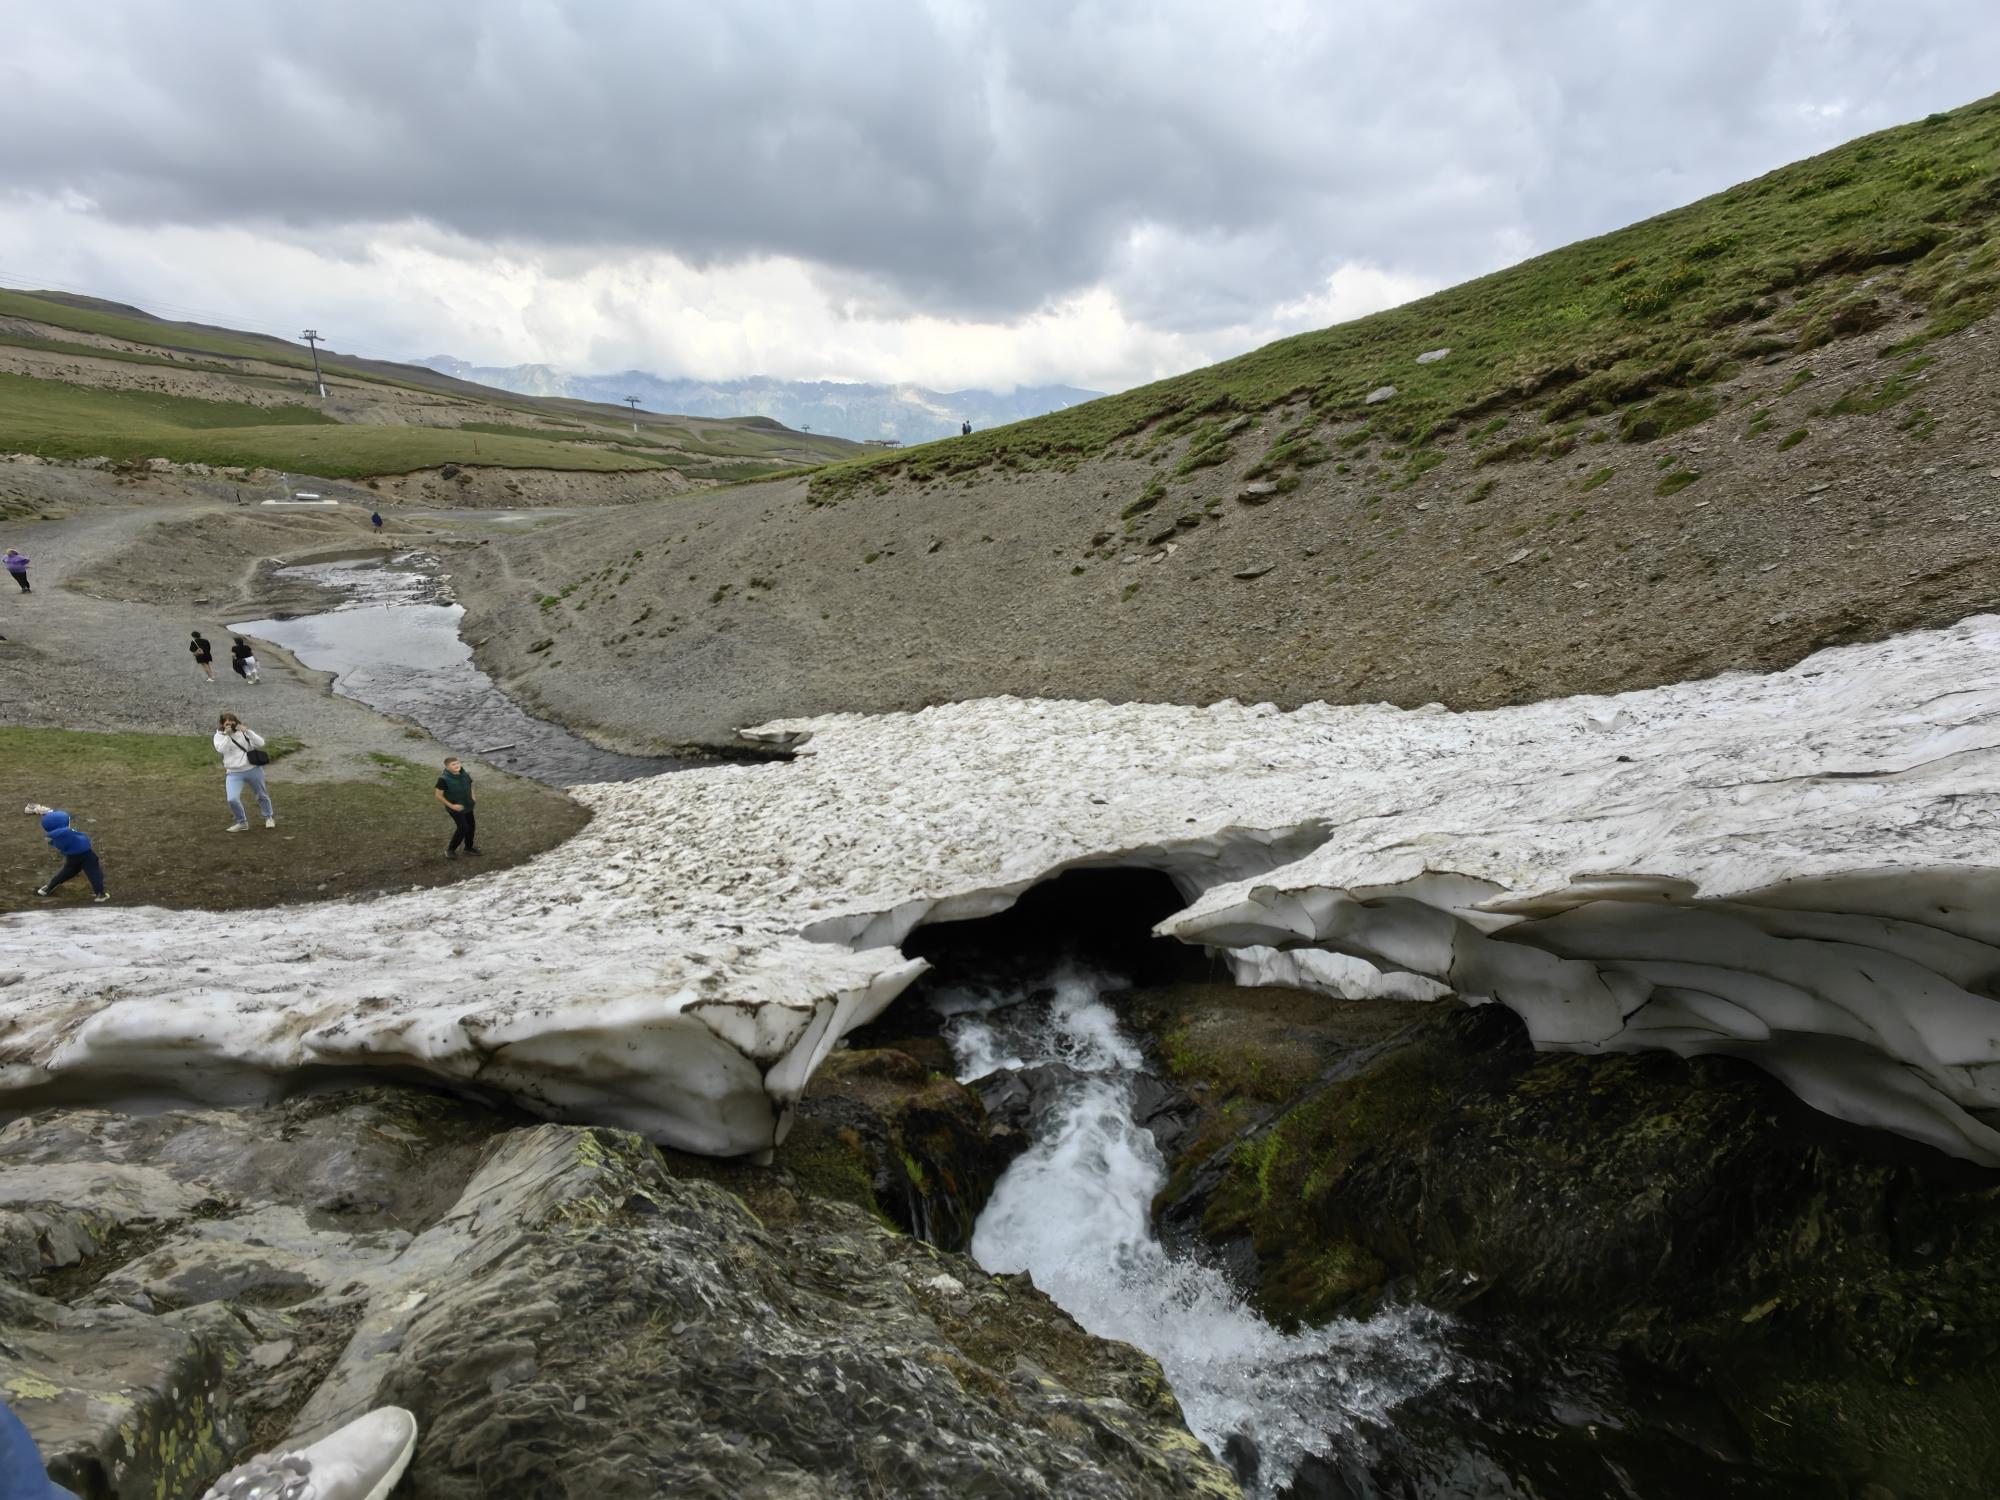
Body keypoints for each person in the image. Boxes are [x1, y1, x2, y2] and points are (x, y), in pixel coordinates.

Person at [24, 803, 109, 903]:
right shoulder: (68, 832)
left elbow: (60, 824)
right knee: (94, 873)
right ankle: (100, 894)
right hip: (87, 856)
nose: (68, 822)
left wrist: (49, 814)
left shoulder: (52, 836)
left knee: (65, 873)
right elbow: (73, 828)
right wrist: (49, 813)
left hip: (72, 857)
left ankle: (47, 888)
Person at [214, 712, 276, 832]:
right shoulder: (219, 736)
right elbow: (221, 750)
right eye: (227, 723)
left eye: (232, 722)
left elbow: (261, 743)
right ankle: (242, 822)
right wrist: (227, 736)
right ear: (222, 724)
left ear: (236, 721)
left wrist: (247, 731)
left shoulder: (243, 732)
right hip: (233, 772)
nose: (230, 725)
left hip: (253, 769)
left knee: (261, 795)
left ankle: (269, 817)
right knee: (232, 799)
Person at [434, 755, 479, 858]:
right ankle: (450, 850)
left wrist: (473, 797)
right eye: (453, 764)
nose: (457, 766)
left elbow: (470, 784)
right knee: (463, 828)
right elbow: (438, 795)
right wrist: (452, 806)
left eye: (458, 763)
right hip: (455, 809)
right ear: (447, 767)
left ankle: (468, 848)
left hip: (468, 805)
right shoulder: (443, 779)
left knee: (471, 827)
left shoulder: (465, 774)